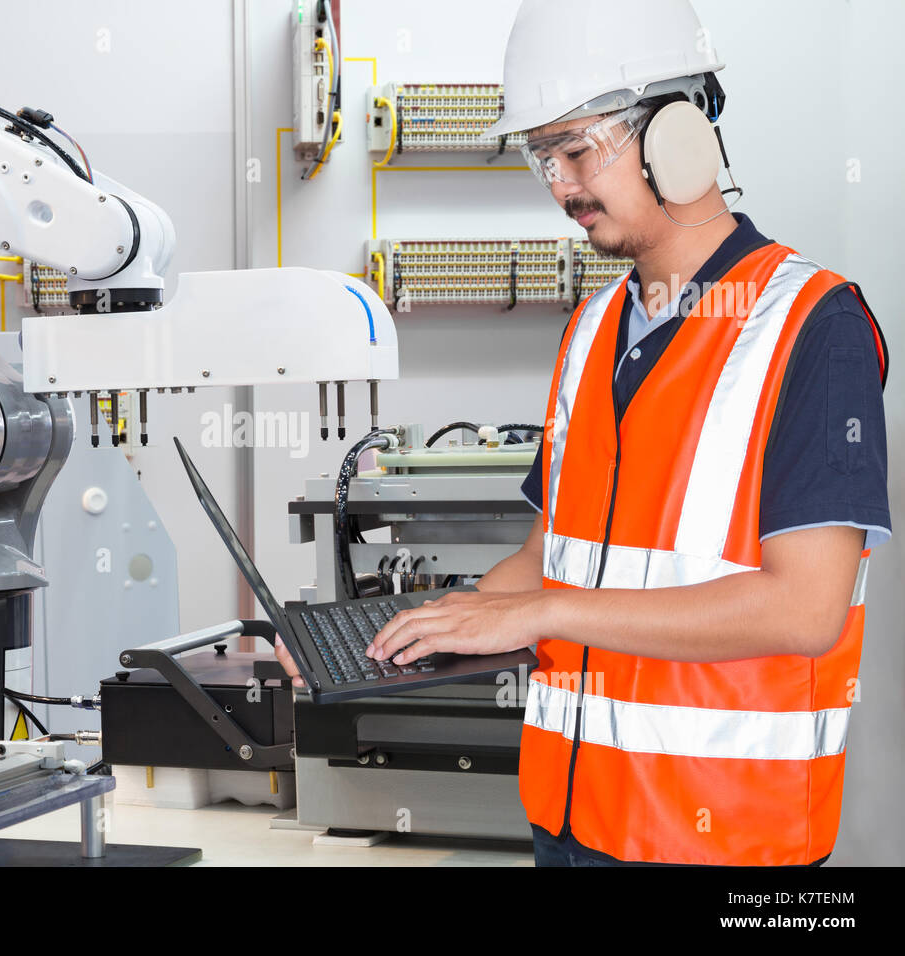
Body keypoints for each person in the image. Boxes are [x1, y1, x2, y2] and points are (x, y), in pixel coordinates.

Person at [274, 0, 890, 866]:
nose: (560, 186)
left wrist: (546, 610)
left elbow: (806, 607)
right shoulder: (594, 328)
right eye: (541, 158)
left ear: (677, 134)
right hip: (570, 818)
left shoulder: (811, 326)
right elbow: (545, 555)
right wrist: (396, 635)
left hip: (719, 836)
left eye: (574, 149)